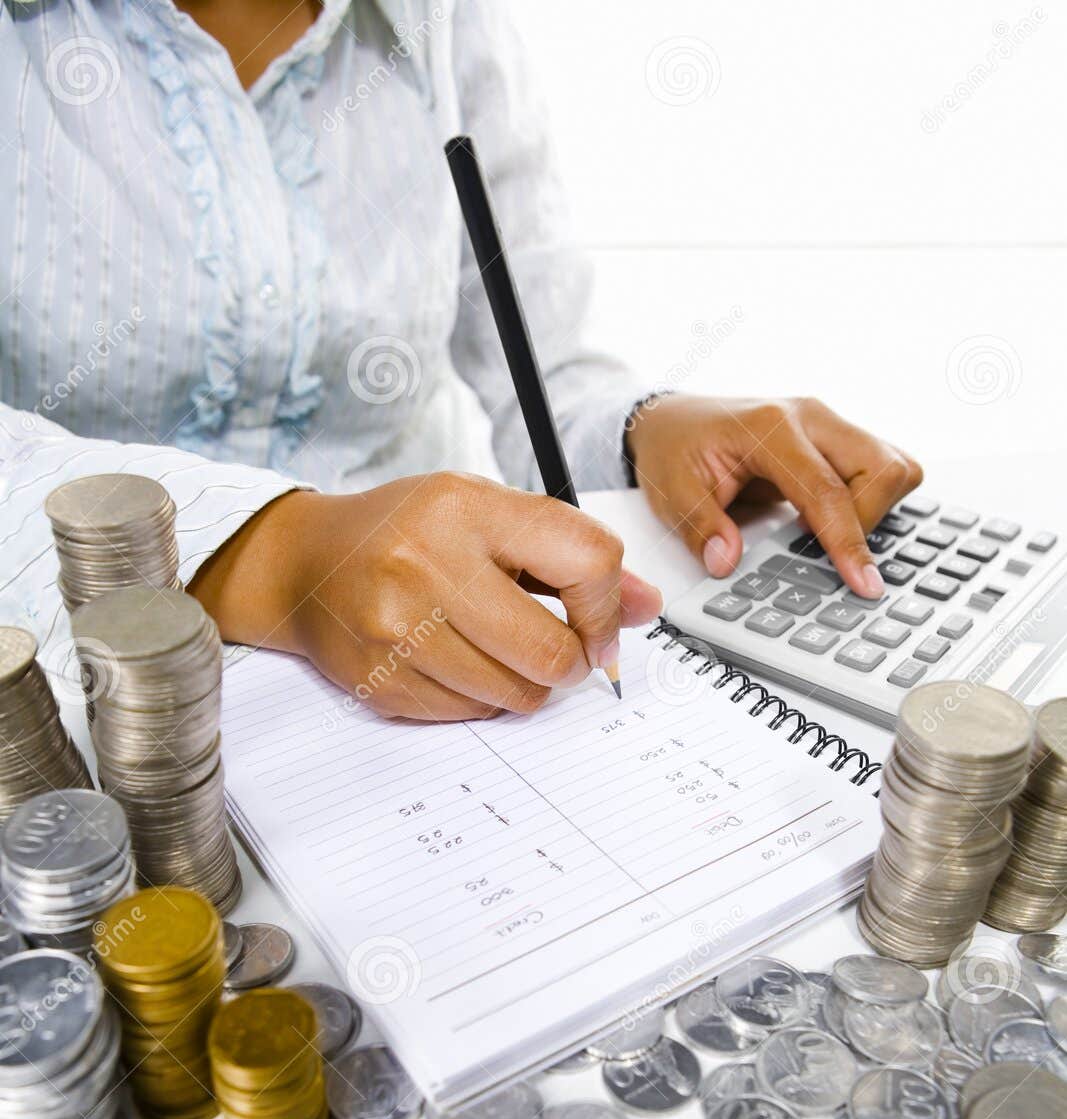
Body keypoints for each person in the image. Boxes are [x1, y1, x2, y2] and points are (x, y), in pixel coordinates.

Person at [1, 0, 921, 721]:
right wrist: (274, 555)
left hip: (433, 659)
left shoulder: (445, 20)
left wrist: (643, 425)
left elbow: (542, 365)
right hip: (72, 677)